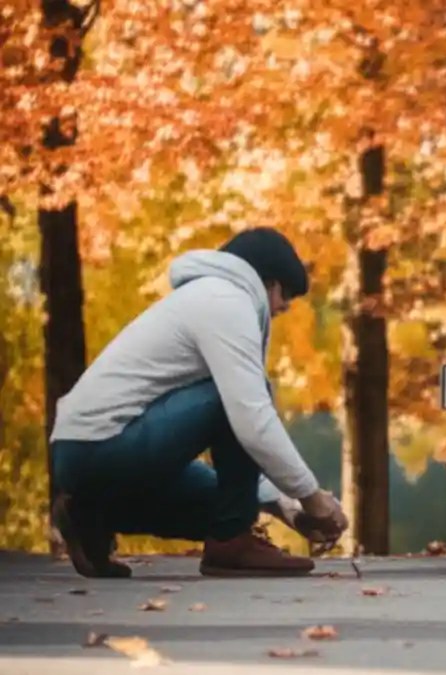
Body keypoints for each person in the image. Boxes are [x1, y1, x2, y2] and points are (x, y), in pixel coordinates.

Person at [48, 227, 348, 578]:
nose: (284, 307)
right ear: (265, 280)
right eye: (285, 294)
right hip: (103, 446)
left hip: (86, 456)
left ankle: (88, 514)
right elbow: (250, 418)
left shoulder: (205, 299)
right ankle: (232, 544)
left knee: (225, 506)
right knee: (246, 397)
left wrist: (288, 506)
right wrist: (313, 498)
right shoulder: (225, 301)